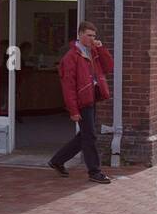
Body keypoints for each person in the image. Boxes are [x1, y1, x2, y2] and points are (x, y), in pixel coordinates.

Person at [49, 21, 114, 184]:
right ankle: (94, 171)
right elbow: (68, 86)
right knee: (90, 136)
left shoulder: (93, 52)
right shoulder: (71, 57)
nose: (92, 39)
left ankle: (57, 160)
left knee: (85, 135)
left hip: (92, 98)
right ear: (79, 34)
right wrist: (73, 110)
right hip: (82, 102)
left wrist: (100, 48)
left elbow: (109, 67)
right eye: (88, 35)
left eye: (94, 36)